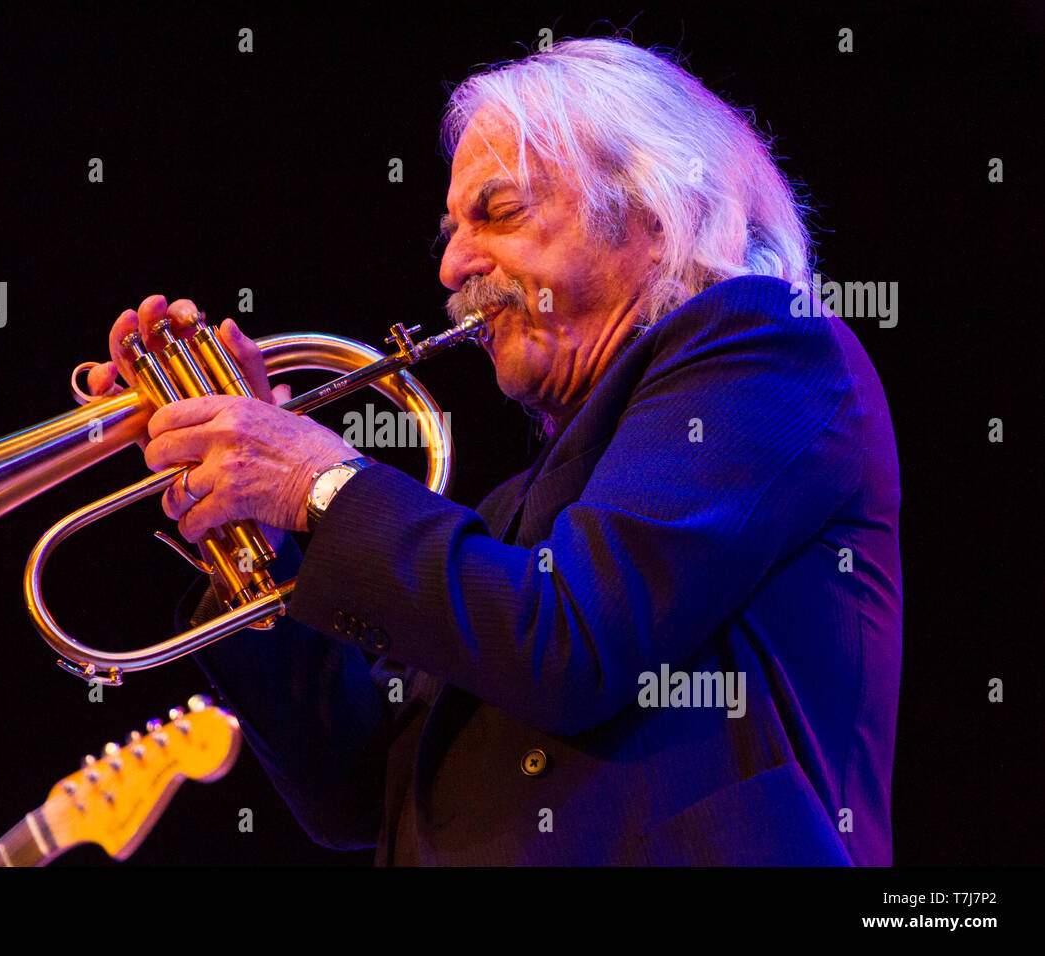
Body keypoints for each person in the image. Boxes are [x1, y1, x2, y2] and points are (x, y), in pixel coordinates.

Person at [88, 37, 902, 865]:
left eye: (499, 213)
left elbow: (569, 640)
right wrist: (260, 538)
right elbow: (354, 791)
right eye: (449, 231)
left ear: (651, 217)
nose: (451, 266)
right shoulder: (510, 516)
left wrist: (315, 480)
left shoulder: (769, 344)